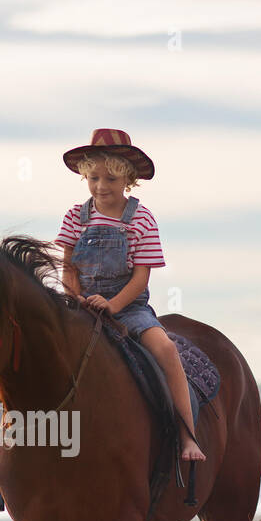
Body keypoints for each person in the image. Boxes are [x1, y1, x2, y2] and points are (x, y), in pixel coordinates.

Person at [55, 129, 205, 462]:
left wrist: (112, 305)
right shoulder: (73, 218)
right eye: (93, 177)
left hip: (127, 308)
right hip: (80, 306)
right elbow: (69, 270)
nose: (101, 186)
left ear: (129, 179)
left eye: (110, 178)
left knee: (166, 349)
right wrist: (77, 299)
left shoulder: (140, 219)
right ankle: (19, 437)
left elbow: (140, 278)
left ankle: (187, 435)